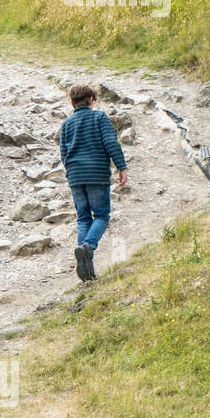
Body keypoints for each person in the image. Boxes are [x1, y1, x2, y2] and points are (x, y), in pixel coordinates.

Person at [59, 83, 129, 281]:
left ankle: (86, 265)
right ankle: (88, 246)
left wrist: (72, 171)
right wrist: (121, 167)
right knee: (101, 215)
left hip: (75, 176)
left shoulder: (66, 124)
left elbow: (63, 153)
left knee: (83, 218)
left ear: (72, 103)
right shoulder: (99, 117)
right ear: (91, 100)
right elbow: (110, 143)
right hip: (96, 173)